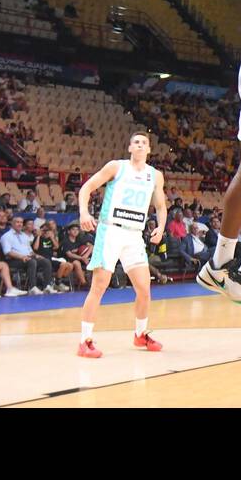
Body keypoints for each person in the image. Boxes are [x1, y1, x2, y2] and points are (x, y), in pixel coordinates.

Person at [76, 132, 167, 357]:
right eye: (136, 142)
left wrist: (161, 227)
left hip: (135, 234)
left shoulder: (155, 175)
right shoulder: (116, 167)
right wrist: (84, 212)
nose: (139, 145)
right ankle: (84, 340)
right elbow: (86, 188)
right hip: (111, 230)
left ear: (149, 150)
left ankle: (140, 334)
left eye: (144, 143)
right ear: (129, 148)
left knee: (144, 289)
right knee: (99, 285)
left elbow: (161, 206)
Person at [0, 216, 51, 294]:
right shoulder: (6, 236)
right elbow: (7, 252)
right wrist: (22, 257)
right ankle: (32, 287)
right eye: (17, 222)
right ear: (12, 224)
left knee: (45, 261)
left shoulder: (24, 236)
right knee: (32, 261)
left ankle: (47, 286)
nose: (20, 224)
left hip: (27, 258)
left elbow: (30, 251)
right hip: (13, 260)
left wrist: (36, 255)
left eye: (21, 222)